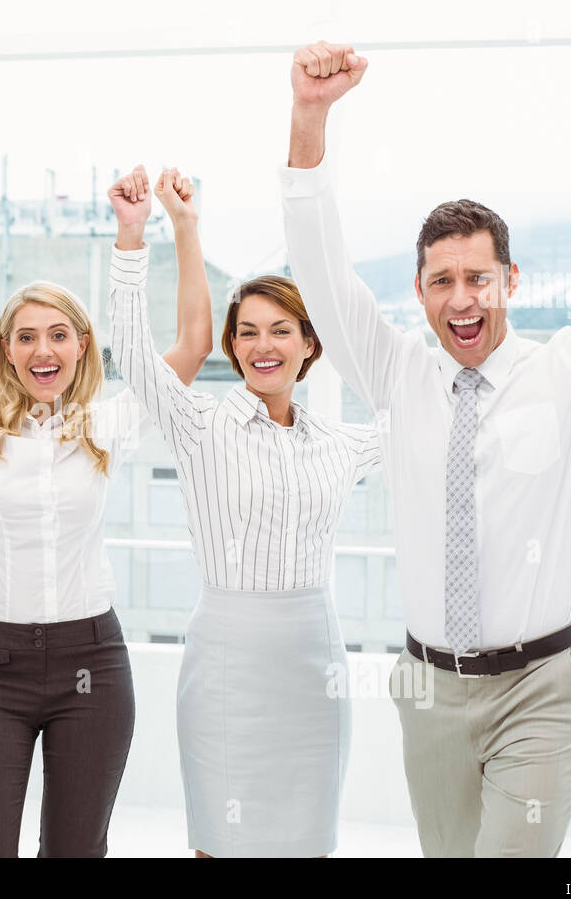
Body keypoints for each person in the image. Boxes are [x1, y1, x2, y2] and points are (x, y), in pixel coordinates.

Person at [282, 41, 571, 856]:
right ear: (418, 290)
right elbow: (318, 270)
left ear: (511, 281)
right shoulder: (396, 373)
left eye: (478, 278)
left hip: (543, 687)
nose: (461, 299)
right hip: (429, 689)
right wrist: (310, 118)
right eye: (441, 280)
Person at [0, 145, 212, 857]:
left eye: (58, 334)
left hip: (90, 661)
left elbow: (193, 342)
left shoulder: (108, 425)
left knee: (76, 851)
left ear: (81, 345)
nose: (43, 349)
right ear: (6, 350)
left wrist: (176, 226)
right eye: (26, 336)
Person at [108, 164, 380, 857]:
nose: (264, 345)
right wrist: (145, 235)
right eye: (248, 331)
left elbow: (425, 418)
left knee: (306, 844)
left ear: (309, 345)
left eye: (281, 330)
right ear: (232, 345)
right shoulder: (199, 426)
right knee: (219, 843)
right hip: (227, 668)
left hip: (312, 662)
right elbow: (137, 357)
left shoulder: (341, 444)